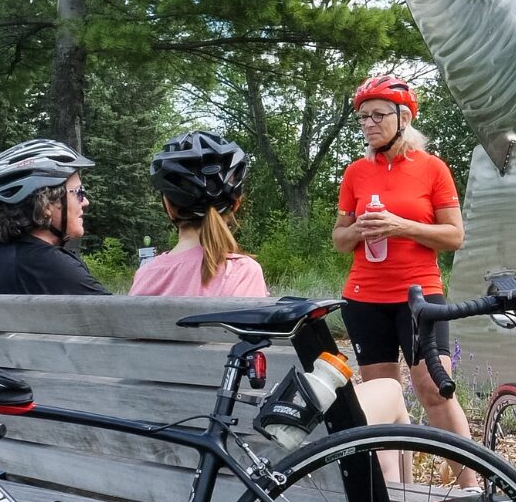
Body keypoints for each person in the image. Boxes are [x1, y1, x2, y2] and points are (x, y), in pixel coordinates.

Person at [132, 129, 412, 481]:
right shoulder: (240, 272)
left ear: (168, 205)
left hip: (167, 438)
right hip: (249, 444)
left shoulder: (146, 276)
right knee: (390, 390)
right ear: (237, 203)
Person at [332, 75, 477, 488]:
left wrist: (401, 226)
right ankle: (399, 492)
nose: (369, 124)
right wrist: (359, 229)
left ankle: (472, 489)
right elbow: (339, 240)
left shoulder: (432, 168)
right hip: (364, 298)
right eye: (363, 117)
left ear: (404, 118)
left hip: (419, 296)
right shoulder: (356, 172)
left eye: (378, 115)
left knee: (435, 390)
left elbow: (454, 236)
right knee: (384, 395)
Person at [0, 138, 108, 295]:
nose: (85, 201)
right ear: (46, 204)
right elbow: (118, 311)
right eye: (78, 192)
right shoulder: (52, 266)